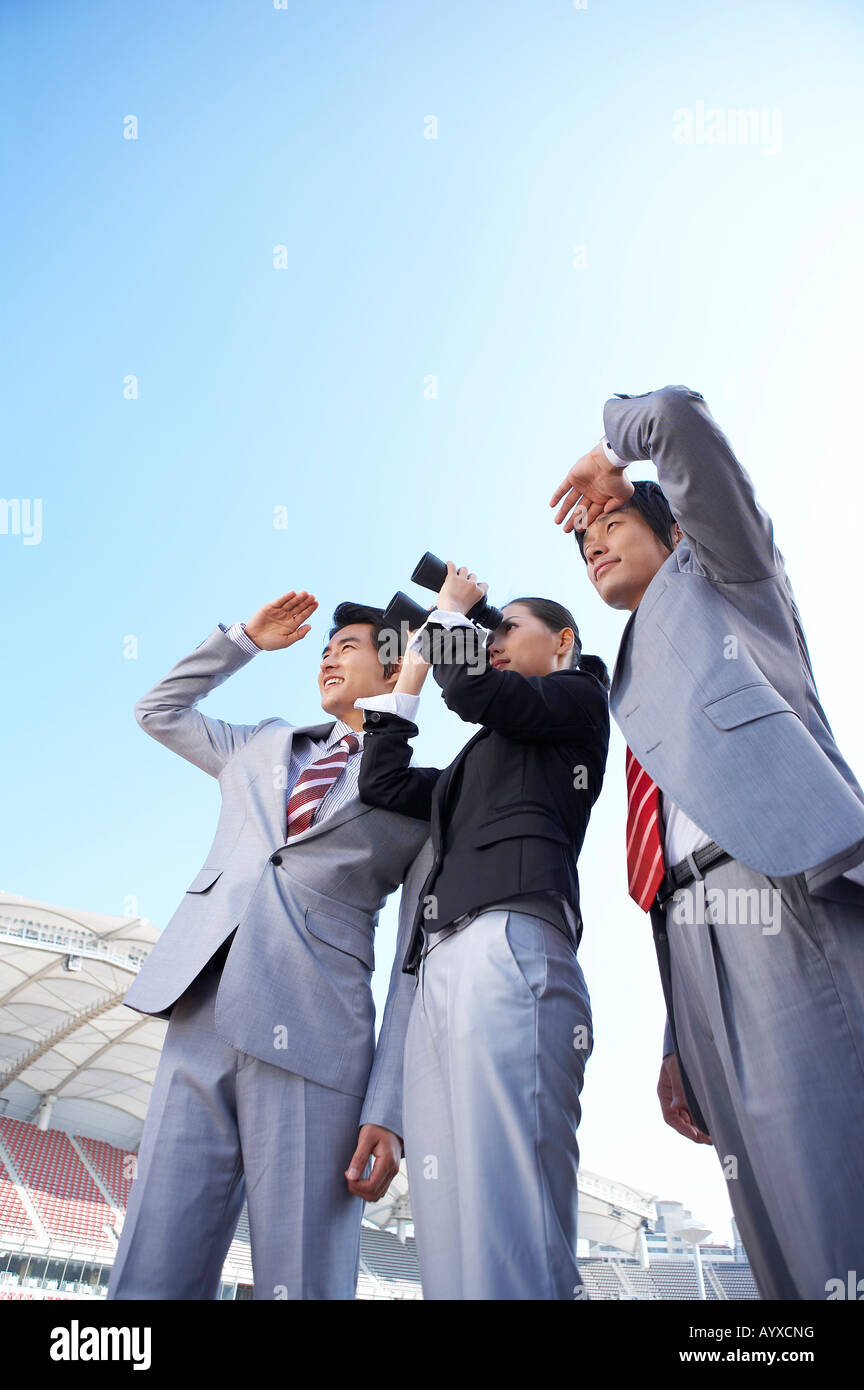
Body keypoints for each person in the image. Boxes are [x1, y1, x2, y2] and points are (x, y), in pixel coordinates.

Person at [551, 384, 864, 1300]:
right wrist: (675, 1033)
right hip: (693, 943)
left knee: (829, 1188)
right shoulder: (627, 679)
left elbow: (680, 418)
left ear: (675, 530)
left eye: (610, 520)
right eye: (582, 539)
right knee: (768, 1226)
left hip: (783, 893)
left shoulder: (728, 576)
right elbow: (670, 847)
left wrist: (612, 449)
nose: (594, 539)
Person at [108, 592, 431, 1300]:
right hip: (201, 1008)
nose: (328, 657)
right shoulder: (262, 743)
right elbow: (157, 711)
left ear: (398, 665)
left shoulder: (420, 798)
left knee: (306, 1275)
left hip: (318, 1044)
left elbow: (416, 964)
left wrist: (389, 1106)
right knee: (153, 1264)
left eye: (347, 646)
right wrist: (242, 641)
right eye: (325, 648)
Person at [355, 563, 610, 1299]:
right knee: (448, 1215)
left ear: (562, 642)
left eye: (507, 630)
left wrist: (451, 614)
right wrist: (409, 672)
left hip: (509, 941)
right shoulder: (483, 757)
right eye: (487, 633)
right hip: (440, 967)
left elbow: (473, 690)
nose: (492, 643)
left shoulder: (579, 696)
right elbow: (386, 785)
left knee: (507, 1202)